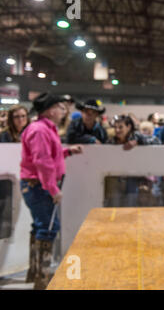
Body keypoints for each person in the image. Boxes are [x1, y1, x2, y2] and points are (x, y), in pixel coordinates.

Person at [20, 92, 83, 289]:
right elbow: (42, 162)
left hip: (36, 185)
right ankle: (42, 278)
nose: (63, 111)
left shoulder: (43, 129)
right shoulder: (40, 130)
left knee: (40, 226)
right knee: (48, 228)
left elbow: (48, 156)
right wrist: (53, 189)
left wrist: (67, 151)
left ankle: (35, 272)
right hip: (39, 186)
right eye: (60, 107)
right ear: (51, 110)